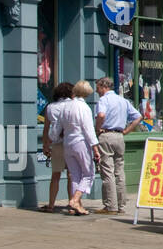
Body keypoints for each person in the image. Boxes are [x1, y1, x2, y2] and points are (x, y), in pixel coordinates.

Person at [94, 76, 142, 215]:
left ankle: (111, 205)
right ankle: (121, 205)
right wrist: (127, 130)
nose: (97, 91)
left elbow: (101, 115)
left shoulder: (103, 100)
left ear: (104, 87)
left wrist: (98, 128)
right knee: (119, 171)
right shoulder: (123, 100)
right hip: (119, 136)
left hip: (107, 135)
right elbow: (138, 117)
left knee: (107, 171)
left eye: (98, 87)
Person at [51, 81, 100, 216]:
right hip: (81, 143)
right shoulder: (84, 108)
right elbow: (89, 130)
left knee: (75, 176)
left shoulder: (66, 107)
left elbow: (56, 129)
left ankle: (75, 206)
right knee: (89, 174)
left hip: (67, 143)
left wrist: (52, 139)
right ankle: (75, 199)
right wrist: (95, 148)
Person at [39, 82, 75, 212]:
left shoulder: (50, 107)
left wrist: (45, 145)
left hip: (56, 143)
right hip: (71, 142)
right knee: (71, 175)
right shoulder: (73, 105)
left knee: (55, 175)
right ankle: (72, 204)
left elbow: (46, 128)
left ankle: (51, 205)